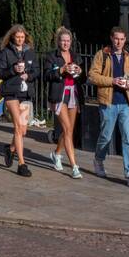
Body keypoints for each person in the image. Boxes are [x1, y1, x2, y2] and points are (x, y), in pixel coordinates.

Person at [89, 26, 129, 190]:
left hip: (125, 103)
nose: (119, 42)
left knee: (128, 138)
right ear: (112, 38)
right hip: (108, 102)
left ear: (125, 40)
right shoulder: (102, 55)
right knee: (106, 136)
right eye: (116, 38)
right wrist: (112, 81)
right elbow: (92, 76)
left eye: (122, 39)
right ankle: (98, 159)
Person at [0, 24, 38, 177]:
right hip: (10, 92)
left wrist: (29, 75)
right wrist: (14, 69)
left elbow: (36, 71)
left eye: (22, 37)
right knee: (18, 127)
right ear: (12, 37)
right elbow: (0, 73)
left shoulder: (30, 53)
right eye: (17, 37)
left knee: (23, 130)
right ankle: (22, 164)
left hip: (25, 93)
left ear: (25, 37)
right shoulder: (6, 53)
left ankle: (11, 149)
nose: (20, 39)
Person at [45, 26, 84, 178]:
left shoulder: (75, 55)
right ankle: (75, 167)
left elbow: (83, 77)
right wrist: (61, 70)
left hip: (73, 94)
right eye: (63, 41)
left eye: (68, 41)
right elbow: (47, 75)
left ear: (71, 42)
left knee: (69, 130)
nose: (65, 43)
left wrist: (80, 72)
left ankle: (56, 154)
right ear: (58, 42)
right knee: (67, 129)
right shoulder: (52, 56)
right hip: (59, 95)